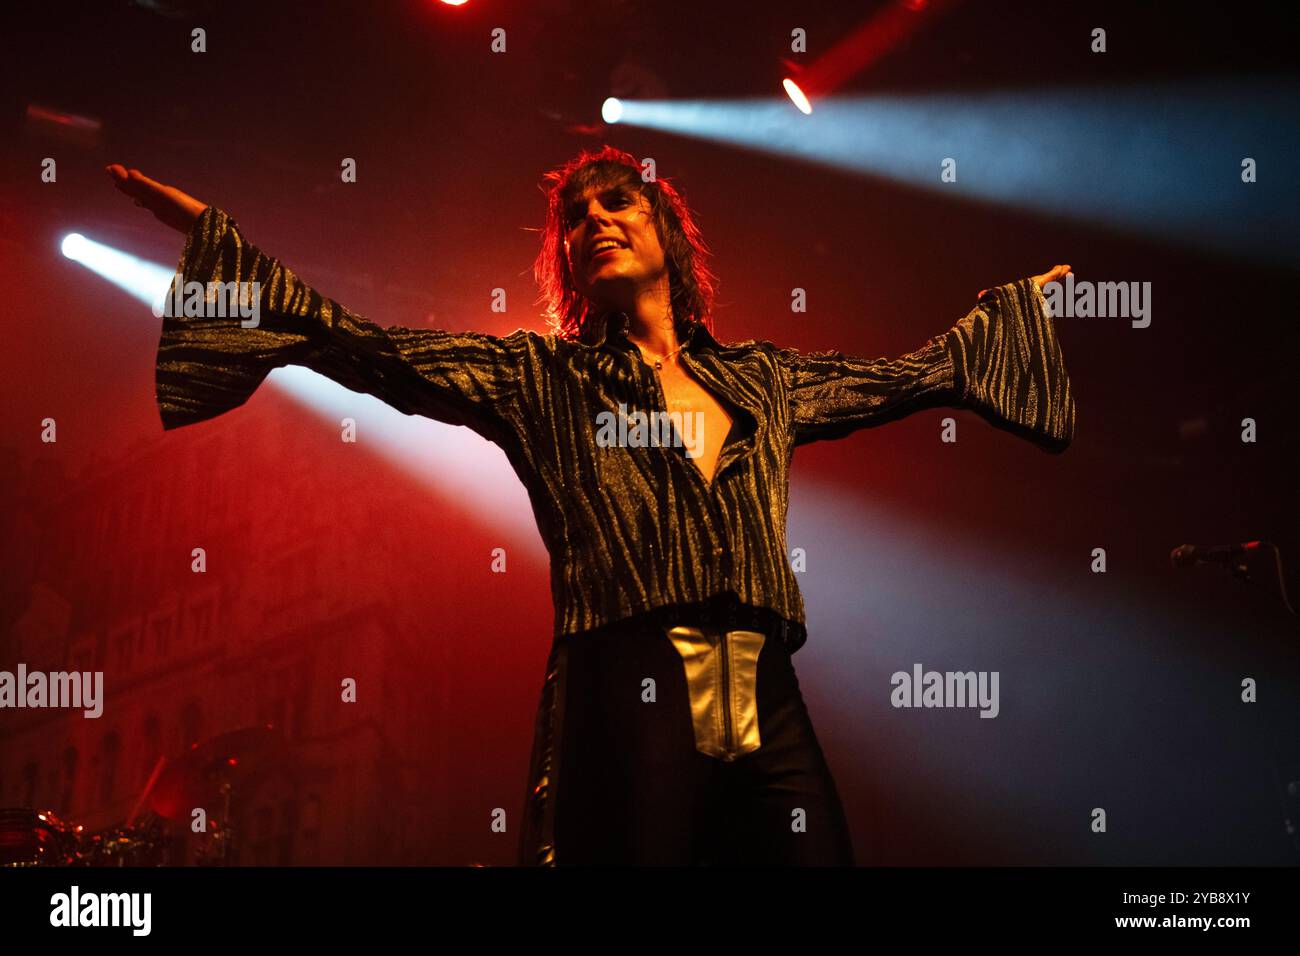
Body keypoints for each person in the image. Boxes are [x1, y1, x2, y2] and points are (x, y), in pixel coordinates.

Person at [107, 145, 1075, 866]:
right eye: (576, 218)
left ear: (665, 234)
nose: (594, 221)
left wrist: (1001, 322)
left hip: (764, 691)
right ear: (569, 262)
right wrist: (226, 259)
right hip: (631, 685)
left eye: (617, 203)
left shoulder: (765, 379)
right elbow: (374, 351)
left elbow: (901, 378)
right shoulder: (544, 381)